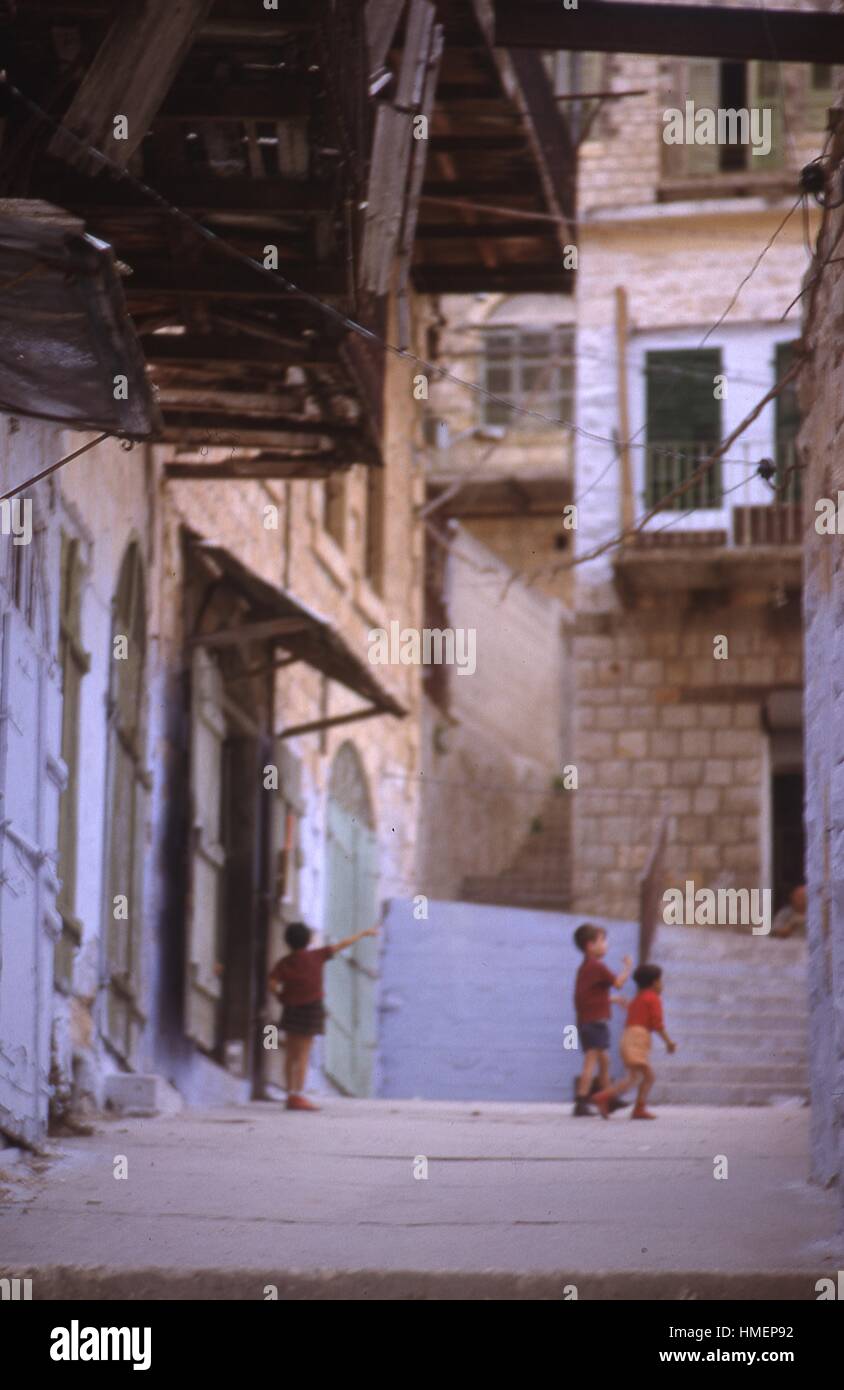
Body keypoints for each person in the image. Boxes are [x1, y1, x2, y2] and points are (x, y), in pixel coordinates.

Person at [269, 920, 377, 1111]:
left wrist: (280, 996)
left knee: (291, 1054)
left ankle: (289, 1093)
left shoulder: (284, 963)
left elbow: (272, 983)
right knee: (303, 1054)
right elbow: (341, 944)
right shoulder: (316, 956)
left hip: (291, 1009)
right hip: (311, 1009)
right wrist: (362, 934)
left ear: (287, 942)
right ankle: (298, 1095)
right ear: (309, 940)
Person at [591, 964, 676, 1120]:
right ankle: (629, 1105)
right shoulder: (653, 998)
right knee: (647, 1077)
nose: (662, 985)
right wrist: (669, 1042)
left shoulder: (639, 998)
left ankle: (610, 1099)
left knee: (634, 1078)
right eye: (660, 981)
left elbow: (635, 1014)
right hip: (638, 1039)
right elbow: (657, 1024)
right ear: (654, 983)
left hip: (629, 1037)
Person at [572, 923, 633, 1117]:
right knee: (592, 1061)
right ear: (591, 945)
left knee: (604, 1060)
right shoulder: (597, 966)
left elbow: (587, 996)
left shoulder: (585, 967)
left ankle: (608, 1098)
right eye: (603, 941)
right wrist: (628, 967)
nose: (606, 945)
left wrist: (612, 1000)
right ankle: (581, 1101)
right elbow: (618, 983)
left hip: (587, 1022)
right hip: (595, 1022)